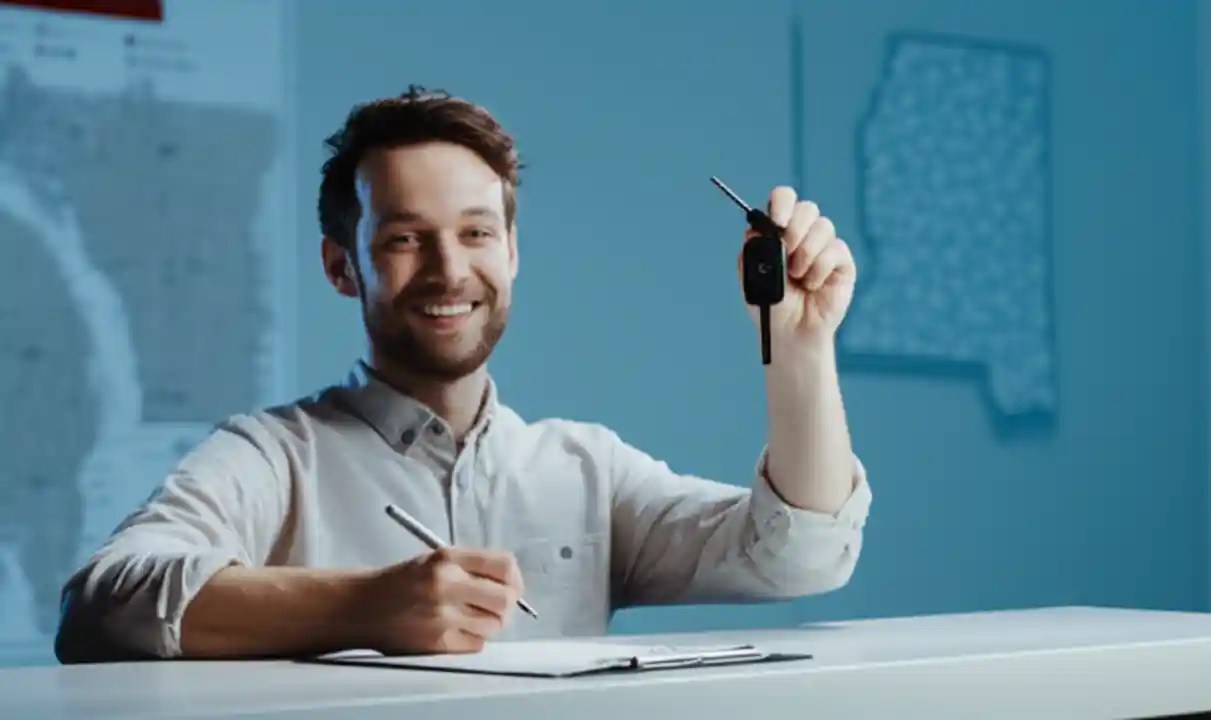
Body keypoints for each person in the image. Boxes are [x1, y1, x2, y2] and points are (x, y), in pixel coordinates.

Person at [53, 86, 872, 664]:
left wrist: (802, 347)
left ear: (511, 252)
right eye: (405, 239)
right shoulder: (273, 457)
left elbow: (799, 558)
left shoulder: (586, 471)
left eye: (476, 233)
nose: (449, 270)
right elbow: (102, 604)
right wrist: (363, 606)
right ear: (342, 266)